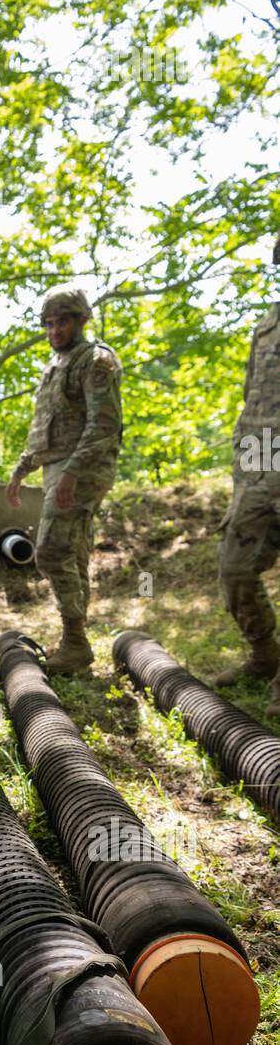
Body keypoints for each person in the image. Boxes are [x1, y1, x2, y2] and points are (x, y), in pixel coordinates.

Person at [6, 285, 123, 673]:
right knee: (73, 553)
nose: (54, 330)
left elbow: (104, 425)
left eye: (63, 322)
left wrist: (73, 473)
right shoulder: (56, 365)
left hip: (85, 468)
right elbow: (46, 430)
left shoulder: (95, 361)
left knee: (52, 552)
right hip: (59, 468)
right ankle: (77, 646)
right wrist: (22, 469)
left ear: (82, 320)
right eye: (49, 324)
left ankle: (76, 642)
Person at [215, 230, 280, 713]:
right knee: (235, 567)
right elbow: (249, 400)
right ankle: (264, 653)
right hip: (260, 460)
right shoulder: (266, 326)